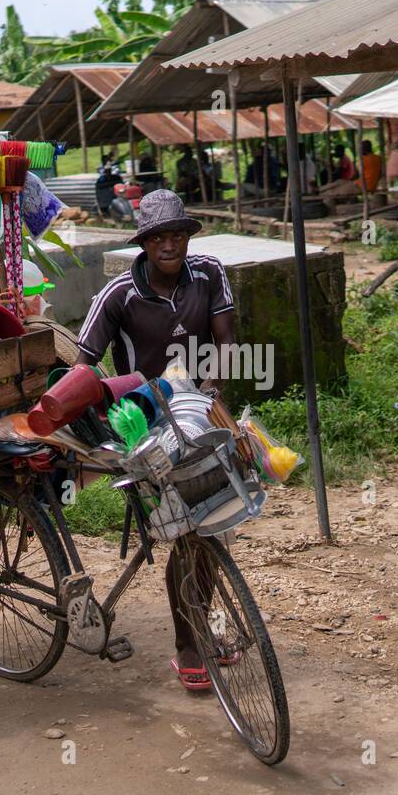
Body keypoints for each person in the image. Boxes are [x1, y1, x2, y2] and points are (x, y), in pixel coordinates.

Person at [75, 189, 237, 689]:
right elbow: (84, 365)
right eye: (158, 237)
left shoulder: (209, 272)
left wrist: (210, 389)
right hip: (146, 426)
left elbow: (227, 341)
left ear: (187, 237)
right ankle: (189, 646)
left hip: (199, 411)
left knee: (216, 522)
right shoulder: (119, 295)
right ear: (143, 243)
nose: (170, 244)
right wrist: (103, 419)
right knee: (187, 532)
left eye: (177, 234)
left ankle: (203, 629)